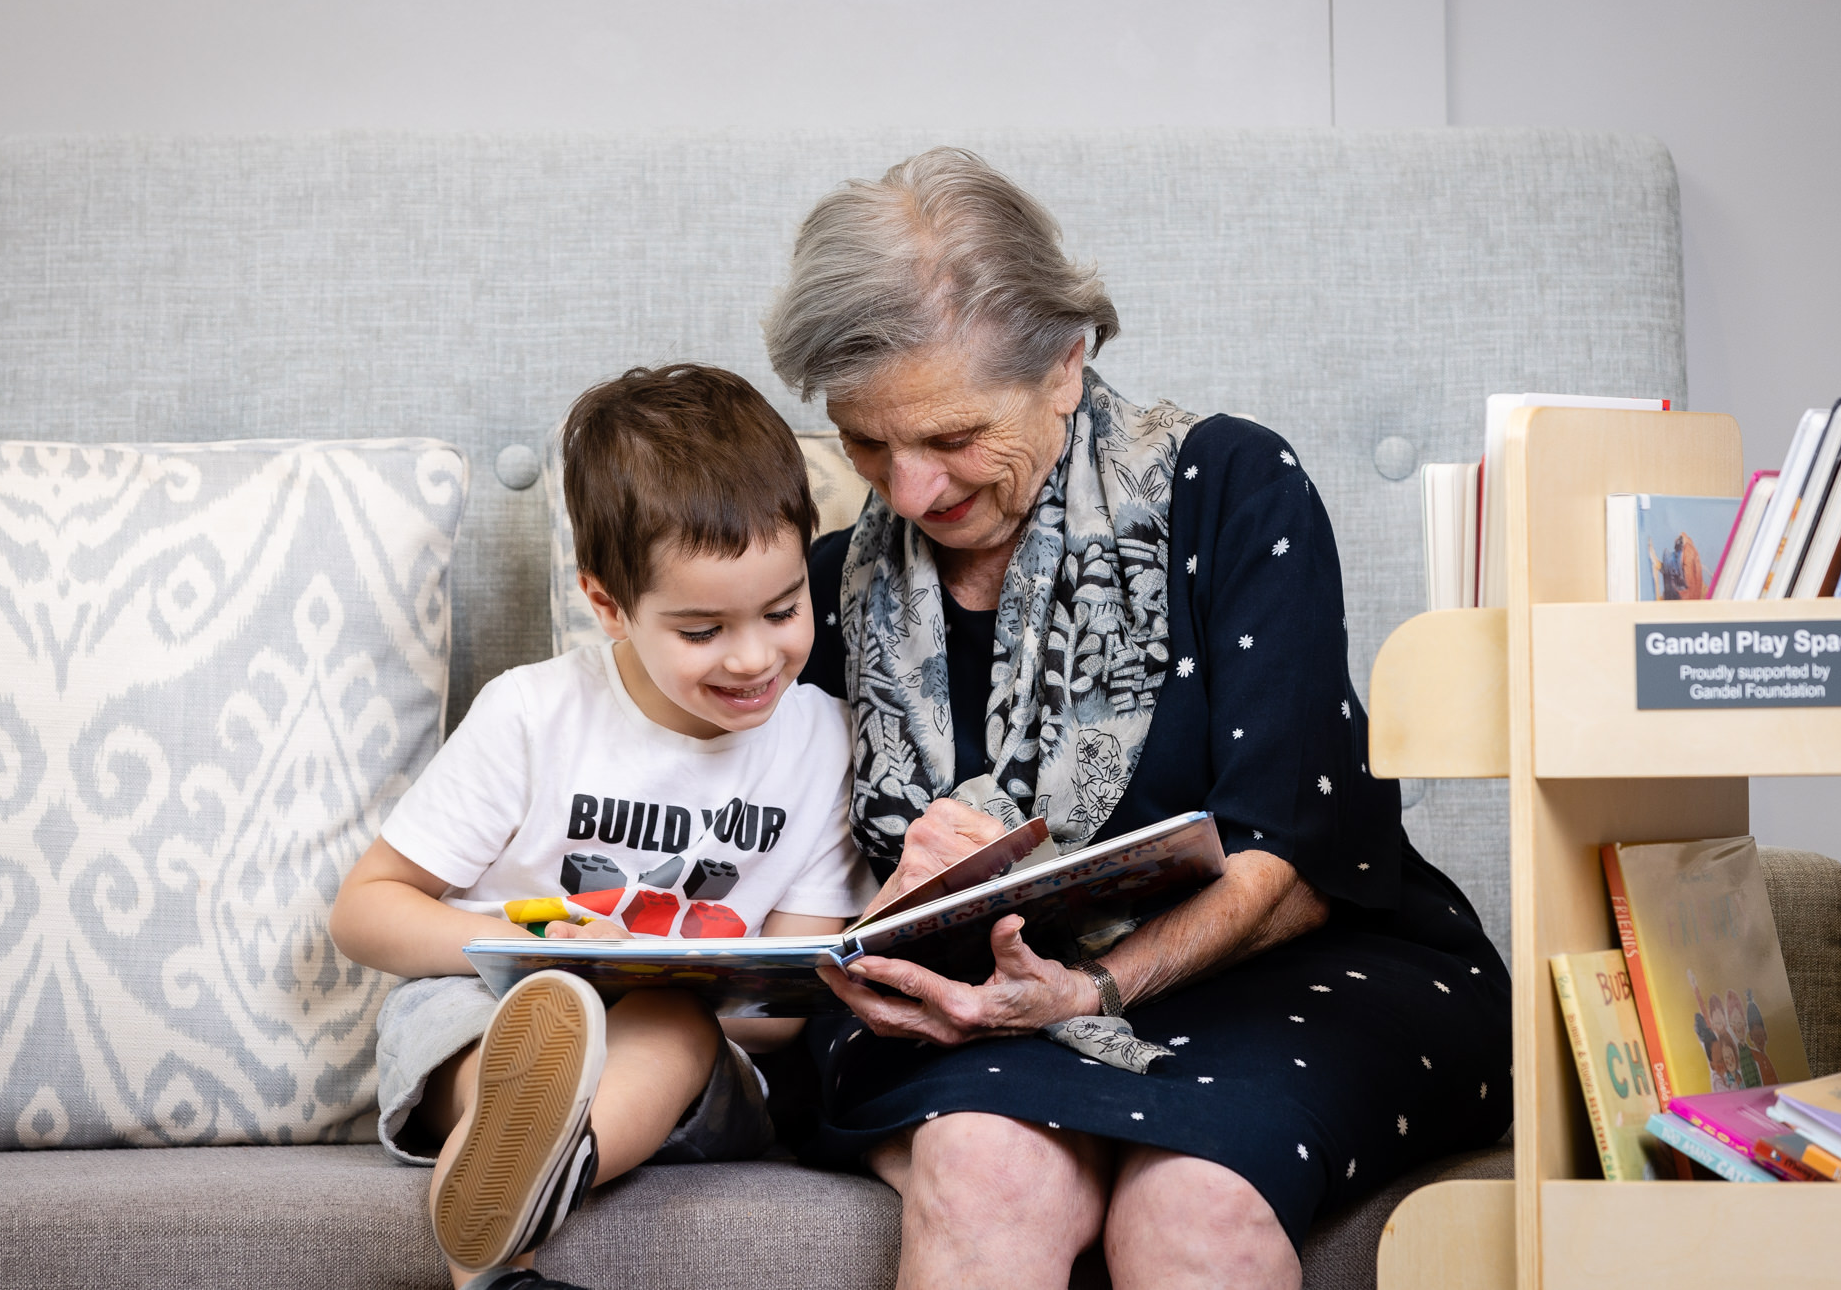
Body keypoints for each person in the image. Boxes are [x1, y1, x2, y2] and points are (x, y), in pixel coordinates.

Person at [766, 149, 1514, 1289]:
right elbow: (780, 878)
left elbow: (1292, 852)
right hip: (973, 1003)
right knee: (985, 1167)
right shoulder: (826, 590)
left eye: (953, 438)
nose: (911, 492)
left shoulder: (1230, 487)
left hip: (1283, 966)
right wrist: (889, 914)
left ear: (1065, 364)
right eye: (867, 443)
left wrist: (1095, 989)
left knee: (1194, 1204)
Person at [329, 365, 874, 1290]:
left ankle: (537, 1178)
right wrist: (532, 947)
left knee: (672, 1019)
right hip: (492, 1012)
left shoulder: (824, 743)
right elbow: (364, 912)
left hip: (682, 1060)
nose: (756, 657)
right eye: (702, 631)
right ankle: (512, 1184)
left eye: (785, 611)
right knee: (515, 1040)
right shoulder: (533, 714)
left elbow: (784, 1015)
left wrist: (673, 978)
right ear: (608, 605)